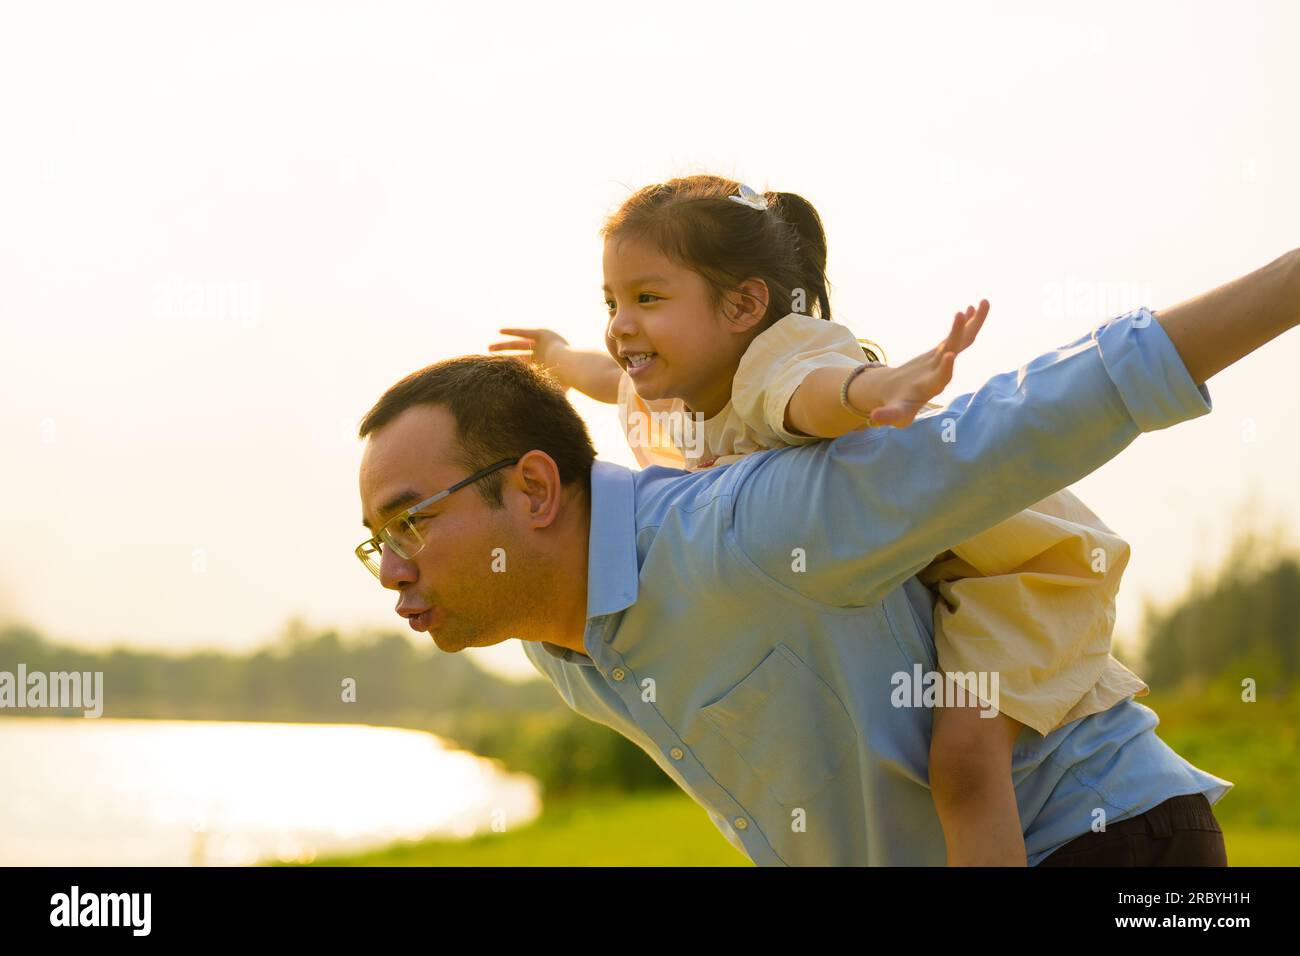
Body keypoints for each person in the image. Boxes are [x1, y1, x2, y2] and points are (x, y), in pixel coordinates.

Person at [355, 245, 1299, 865]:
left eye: (410, 522)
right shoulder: (564, 654)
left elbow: (1021, 423)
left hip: (1112, 845)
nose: (392, 568)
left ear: (533, 490)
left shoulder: (746, 528)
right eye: (375, 542)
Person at [487, 174, 1146, 865]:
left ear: (745, 304)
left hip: (1015, 572)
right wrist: (557, 358)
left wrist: (879, 388)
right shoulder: (678, 400)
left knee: (963, 764)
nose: (622, 323)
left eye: (647, 298)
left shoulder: (780, 359)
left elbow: (816, 397)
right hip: (948, 572)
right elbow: (609, 376)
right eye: (612, 300)